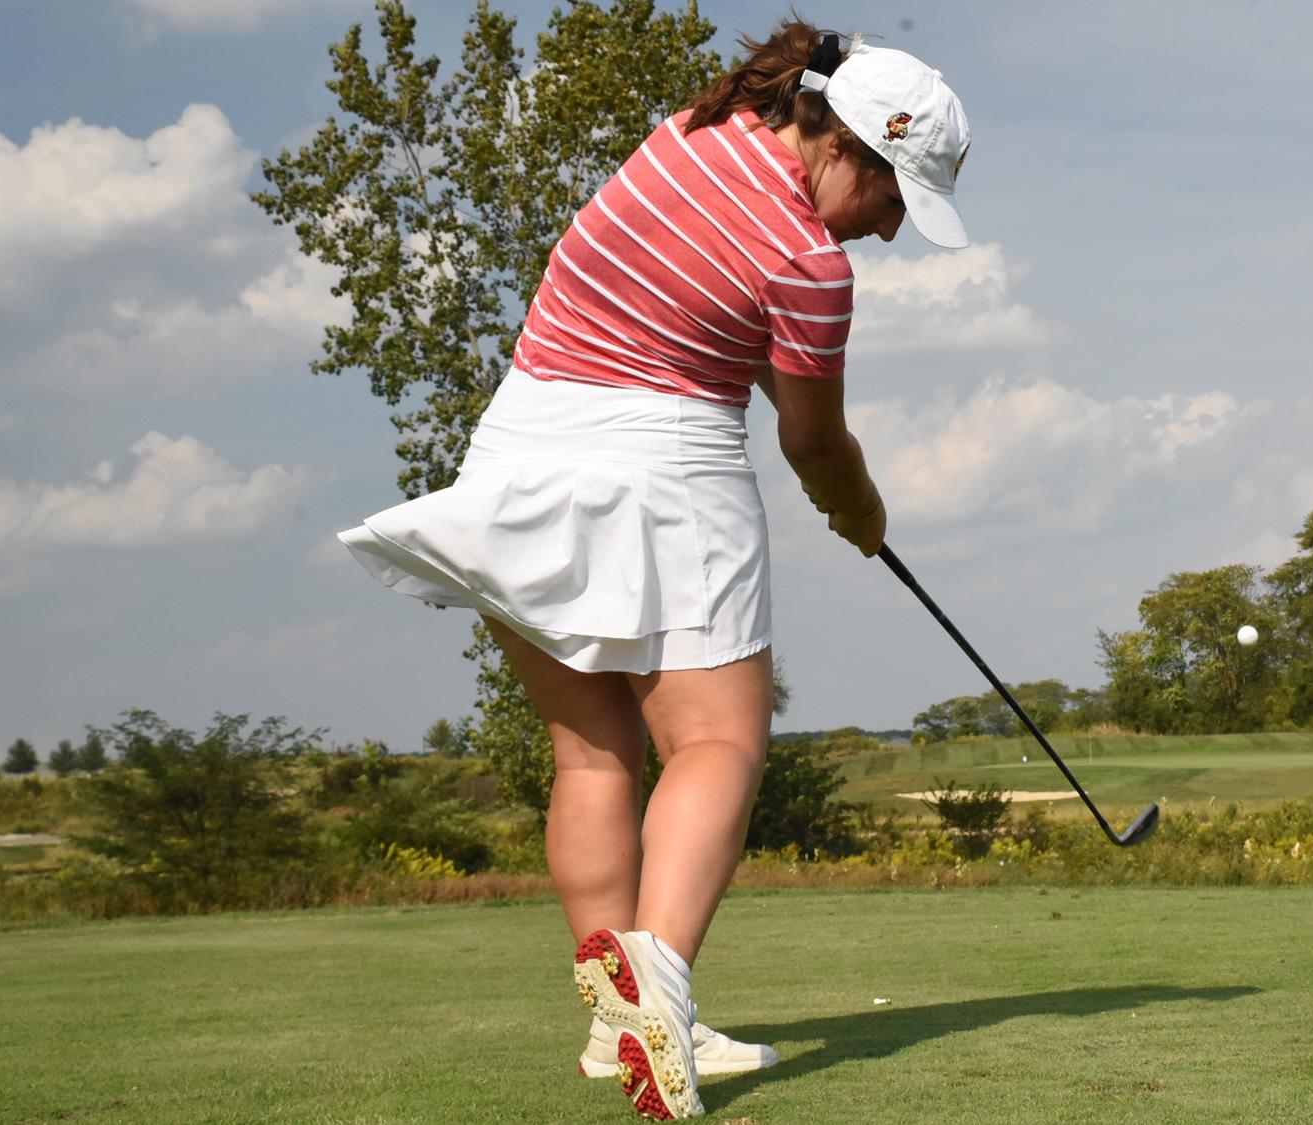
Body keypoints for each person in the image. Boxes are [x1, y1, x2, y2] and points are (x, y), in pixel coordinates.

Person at [336, 19, 970, 1120]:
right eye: (895, 197)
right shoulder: (810, 264)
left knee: (592, 758)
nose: (891, 229)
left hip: (518, 454)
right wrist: (860, 511)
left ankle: (610, 1024)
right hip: (663, 468)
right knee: (716, 740)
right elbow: (811, 441)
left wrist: (838, 491)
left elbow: (727, 330)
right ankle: (659, 996)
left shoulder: (684, 133)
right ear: (847, 149)